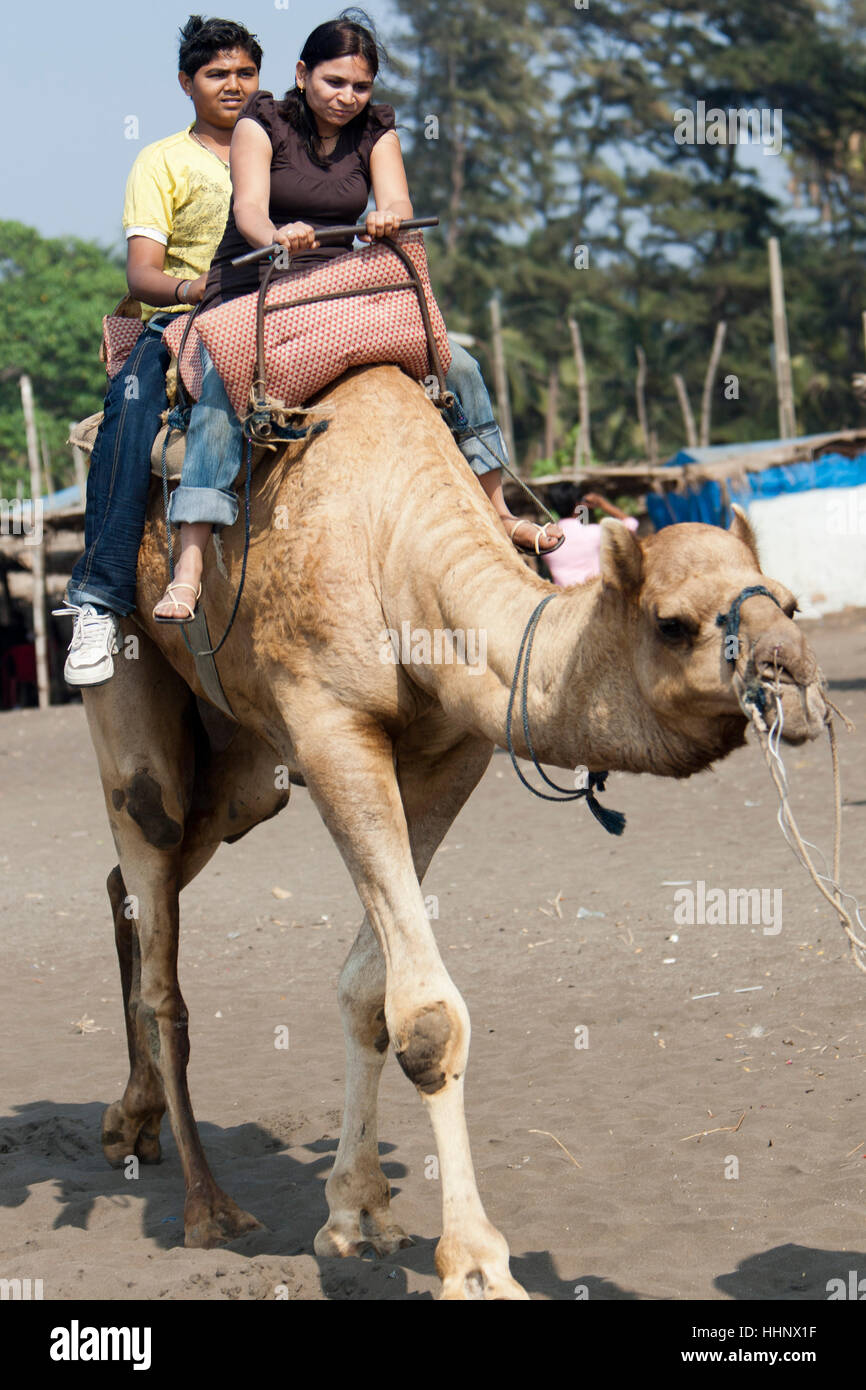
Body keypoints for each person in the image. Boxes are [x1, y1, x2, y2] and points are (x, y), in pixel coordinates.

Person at [153, 12, 562, 622]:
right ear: (301, 75)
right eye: (333, 82)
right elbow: (249, 214)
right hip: (255, 291)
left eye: (360, 86)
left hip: (340, 293)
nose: (347, 98)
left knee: (460, 365)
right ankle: (188, 566)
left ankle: (500, 513)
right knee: (221, 392)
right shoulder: (259, 125)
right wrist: (277, 234)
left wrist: (389, 217)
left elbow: (396, 197)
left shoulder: (378, 130)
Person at [55, 15, 262, 683]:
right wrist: (191, 285)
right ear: (186, 83)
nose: (233, 85)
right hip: (183, 318)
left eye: (245, 73)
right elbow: (139, 275)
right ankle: (97, 598)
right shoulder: (162, 160)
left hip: (282, 311)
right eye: (216, 74)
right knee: (132, 407)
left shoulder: (283, 147)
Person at [543, 484, 639, 588]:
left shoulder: (546, 540)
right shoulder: (595, 533)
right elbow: (631, 525)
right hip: (593, 597)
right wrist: (603, 504)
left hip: (563, 598)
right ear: (577, 504)